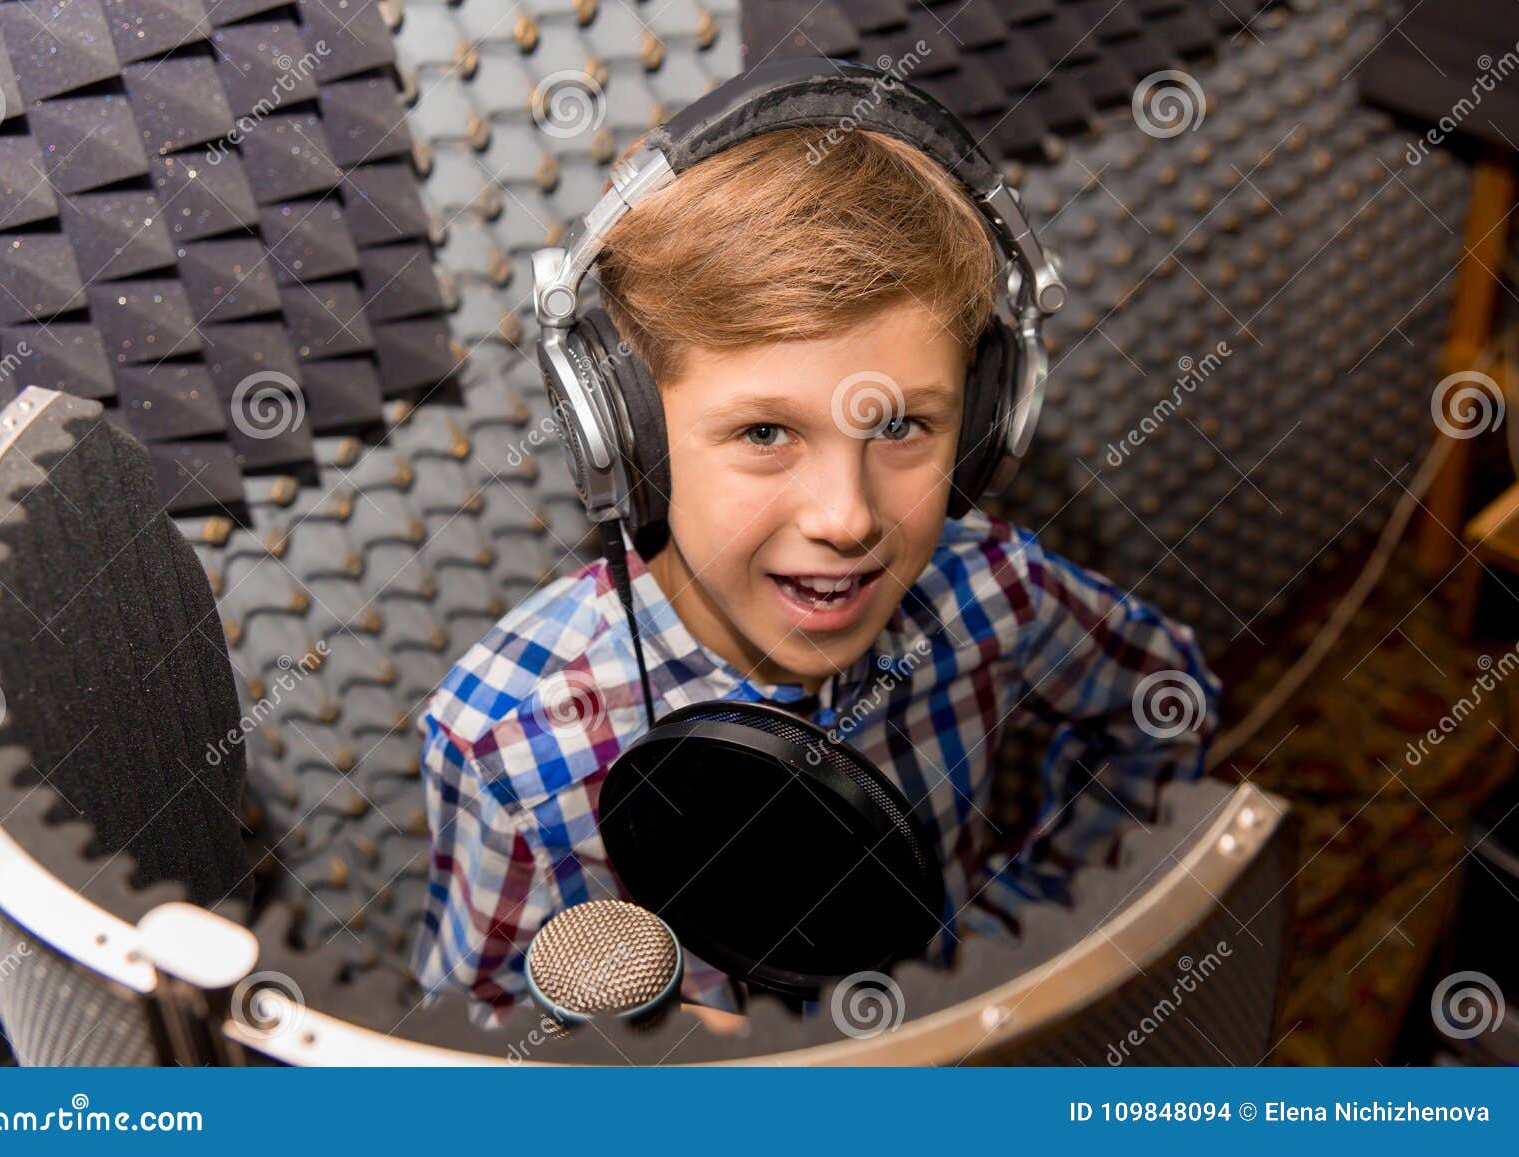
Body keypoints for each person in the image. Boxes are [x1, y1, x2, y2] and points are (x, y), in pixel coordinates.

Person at [411, 120, 1221, 1027]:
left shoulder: (992, 588)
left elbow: (1165, 704)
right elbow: (474, 1027)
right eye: (765, 432)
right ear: (628, 442)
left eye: (901, 426)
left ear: (982, 426)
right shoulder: (507, 742)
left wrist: (1017, 945)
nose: (847, 519)